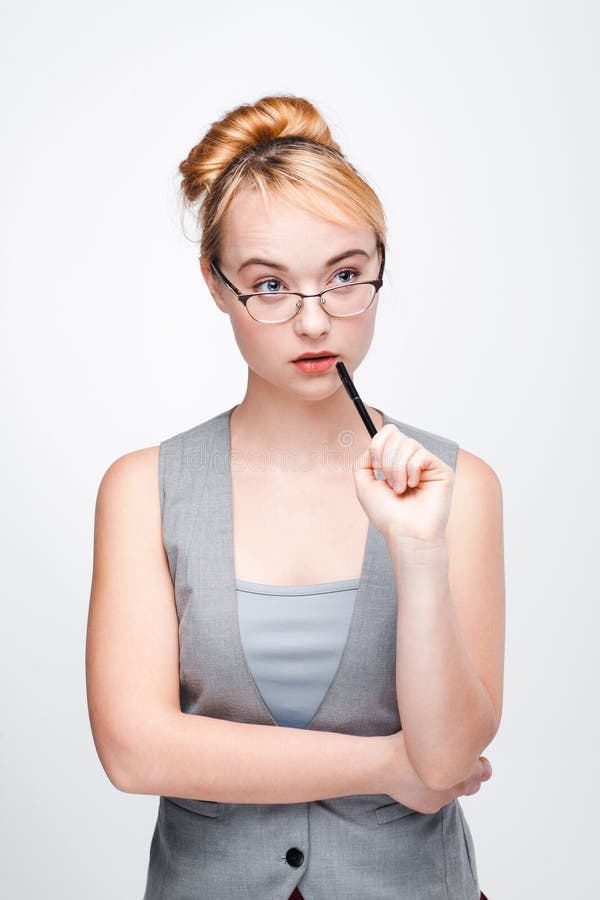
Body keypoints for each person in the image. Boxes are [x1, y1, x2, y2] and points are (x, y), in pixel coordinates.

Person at [86, 94, 504, 900]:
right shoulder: (142, 489)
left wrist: (417, 552)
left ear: (382, 265)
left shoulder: (463, 487)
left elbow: (450, 758)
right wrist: (388, 763)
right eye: (270, 285)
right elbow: (135, 751)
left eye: (346, 276)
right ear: (217, 286)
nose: (315, 322)